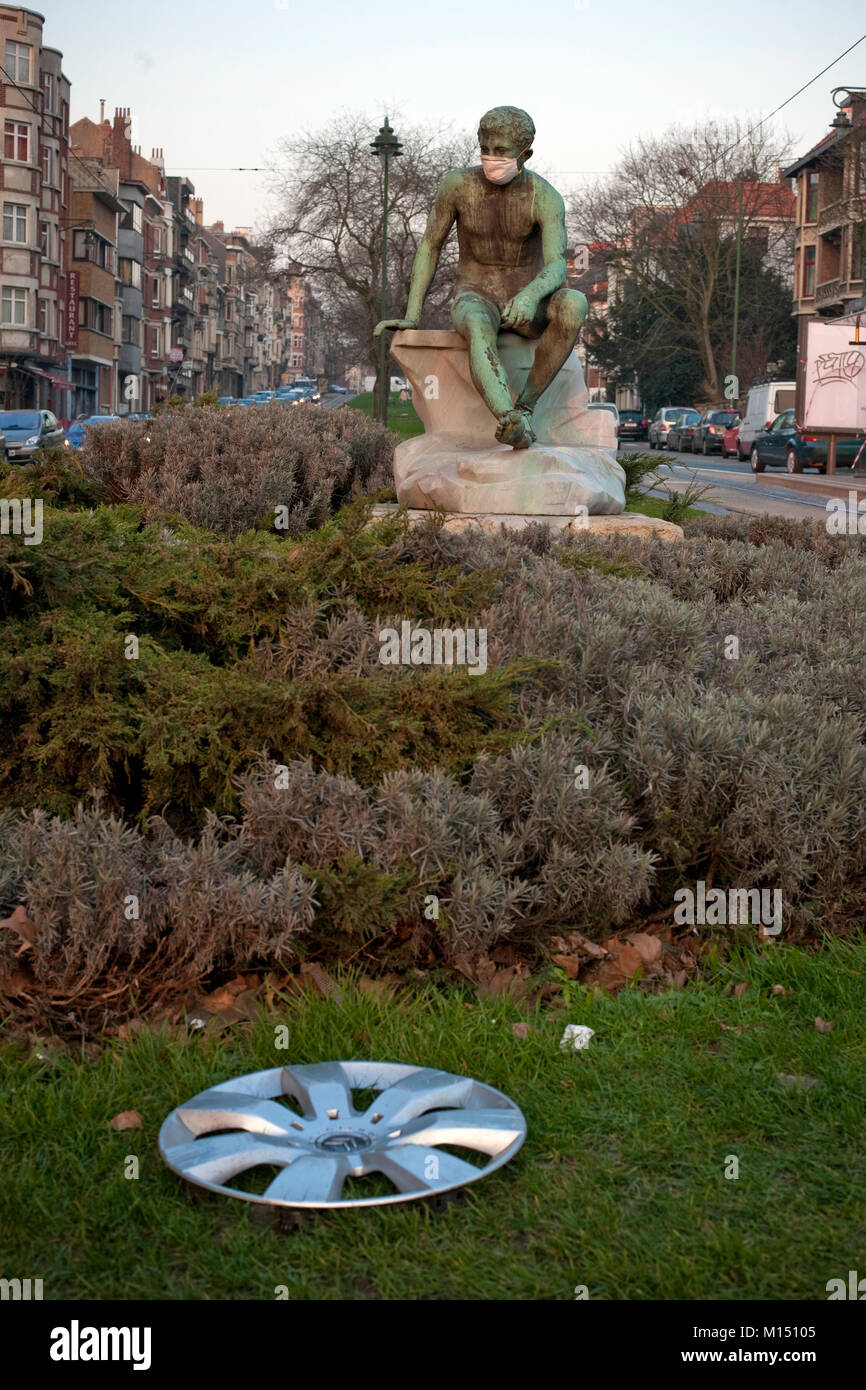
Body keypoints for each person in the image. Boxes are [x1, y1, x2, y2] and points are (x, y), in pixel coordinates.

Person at [375, 105, 587, 449]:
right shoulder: (458, 185)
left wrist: (532, 295)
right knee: (476, 324)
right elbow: (430, 244)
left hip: (526, 303)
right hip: (475, 295)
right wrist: (412, 314)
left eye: (501, 151)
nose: (491, 157)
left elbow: (557, 265)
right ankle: (508, 420)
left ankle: (525, 407)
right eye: (485, 148)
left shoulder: (545, 197)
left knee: (574, 304)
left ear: (525, 154)